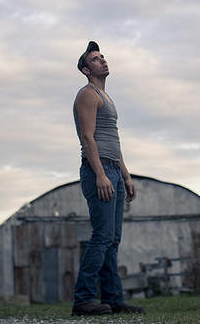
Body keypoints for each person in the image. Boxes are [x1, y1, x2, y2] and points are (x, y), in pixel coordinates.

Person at [70, 41, 145, 316]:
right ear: (85, 69)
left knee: (112, 239)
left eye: (103, 57)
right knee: (101, 237)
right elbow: (88, 138)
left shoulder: (107, 98)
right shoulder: (87, 94)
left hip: (113, 169)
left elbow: (113, 142)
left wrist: (126, 176)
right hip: (98, 170)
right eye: (95, 59)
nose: (103, 61)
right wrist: (101, 174)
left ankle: (113, 298)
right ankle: (83, 299)